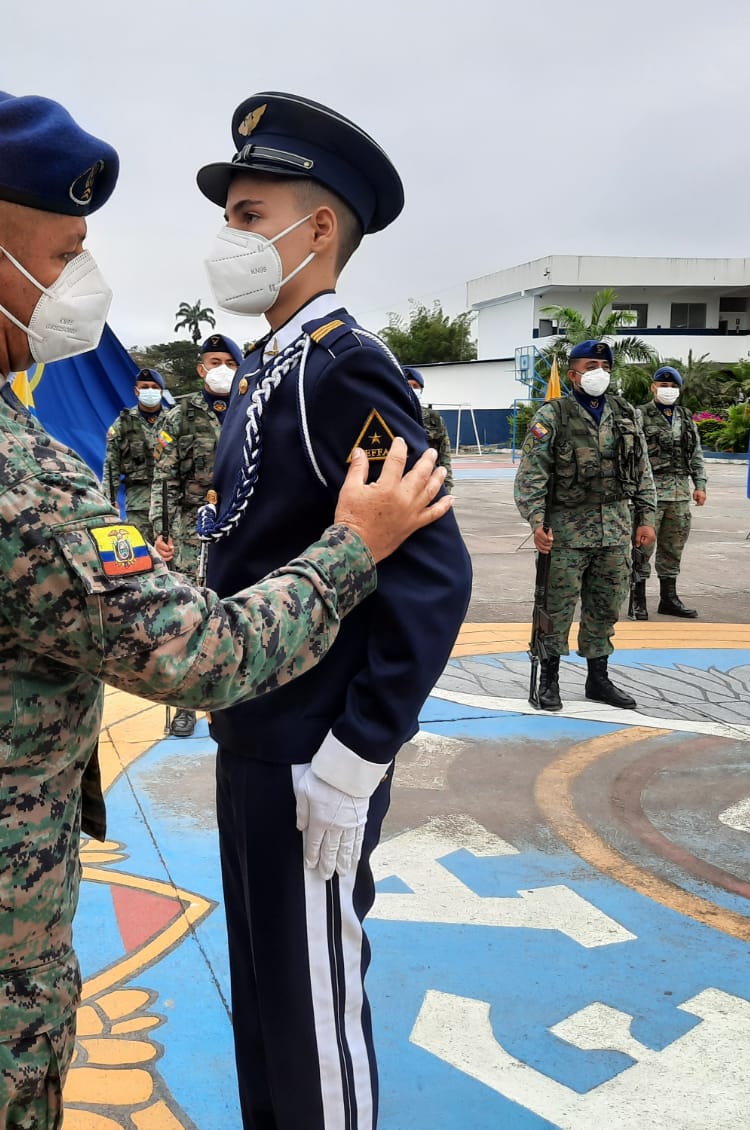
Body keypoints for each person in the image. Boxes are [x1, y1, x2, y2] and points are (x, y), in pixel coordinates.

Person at [0, 85, 452, 1129]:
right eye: (64, 256)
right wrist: (349, 549)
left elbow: (435, 573)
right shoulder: (2, 466)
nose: (81, 282)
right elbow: (197, 652)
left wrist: (358, 748)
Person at [194, 91, 472, 1130]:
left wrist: (358, 751)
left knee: (313, 1012)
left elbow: (431, 571)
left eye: (247, 212)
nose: (229, 233)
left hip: (314, 754)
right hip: (256, 735)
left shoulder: (341, 365)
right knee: (267, 1001)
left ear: (318, 230)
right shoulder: (269, 366)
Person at [515, 339, 657, 712]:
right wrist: (536, 521)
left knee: (606, 605)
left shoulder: (625, 413)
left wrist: (646, 517)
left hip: (615, 529)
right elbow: (532, 475)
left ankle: (598, 678)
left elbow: (642, 472)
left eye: (605, 367)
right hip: (565, 531)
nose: (599, 373)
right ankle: (550, 679)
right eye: (591, 366)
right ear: (574, 372)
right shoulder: (554, 415)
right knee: (557, 606)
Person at [150, 331, 243, 737]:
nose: (221, 369)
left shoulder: (253, 408)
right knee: (188, 615)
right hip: (191, 529)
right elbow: (163, 479)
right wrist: (161, 531)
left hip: (243, 523)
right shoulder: (179, 416)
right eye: (214, 362)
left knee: (241, 605)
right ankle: (185, 704)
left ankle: (240, 697)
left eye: (229, 362)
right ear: (200, 368)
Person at [629, 365, 706, 619]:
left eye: (673, 387)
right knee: (642, 547)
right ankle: (637, 598)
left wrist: (700, 484)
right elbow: (631, 454)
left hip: (679, 493)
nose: (668, 391)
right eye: (663, 386)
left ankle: (668, 598)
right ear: (653, 387)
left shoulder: (685, 417)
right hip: (649, 494)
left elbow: (694, 452)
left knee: (673, 548)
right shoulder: (639, 415)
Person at [102, 367, 167, 541]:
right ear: (136, 391)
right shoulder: (122, 424)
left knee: (175, 557)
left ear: (162, 391)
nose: (149, 390)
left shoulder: (174, 420)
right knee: (143, 555)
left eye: (154, 386)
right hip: (139, 505)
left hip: (171, 503)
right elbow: (111, 466)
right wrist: (110, 500)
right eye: (145, 387)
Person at [404, 367, 454, 493]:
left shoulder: (434, 418)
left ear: (421, 390)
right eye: (408, 385)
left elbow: (444, 455)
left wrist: (446, 486)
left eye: (416, 386)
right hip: (401, 485)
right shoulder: (390, 416)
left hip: (429, 483)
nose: (412, 389)